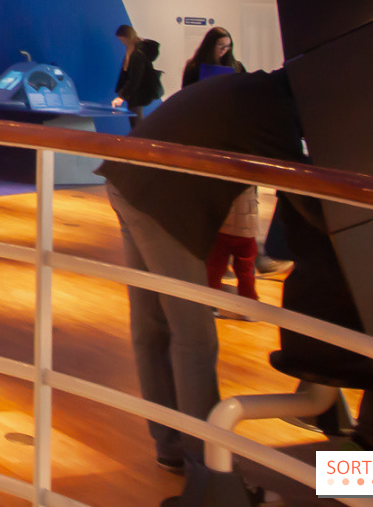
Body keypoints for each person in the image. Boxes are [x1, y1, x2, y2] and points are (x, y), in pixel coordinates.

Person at [96, 70, 307, 497]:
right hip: (162, 201)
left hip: (128, 180)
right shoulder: (279, 109)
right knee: (194, 337)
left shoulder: (248, 88)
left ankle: (172, 445)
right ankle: (207, 464)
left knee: (152, 326)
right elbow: (303, 187)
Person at [205, 188, 259, 320]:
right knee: (245, 271)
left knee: (214, 269)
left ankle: (211, 304)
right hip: (245, 229)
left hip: (224, 227)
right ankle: (249, 307)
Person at [111, 26, 163, 119]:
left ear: (127, 37)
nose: (122, 43)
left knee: (137, 122)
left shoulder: (136, 54)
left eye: (122, 40)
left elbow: (135, 78)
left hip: (137, 94)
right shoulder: (133, 51)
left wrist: (122, 96)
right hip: (135, 94)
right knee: (136, 120)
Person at [181, 26, 245, 88]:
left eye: (227, 46)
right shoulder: (193, 67)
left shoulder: (237, 66)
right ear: (210, 45)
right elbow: (186, 92)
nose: (224, 49)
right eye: (220, 45)